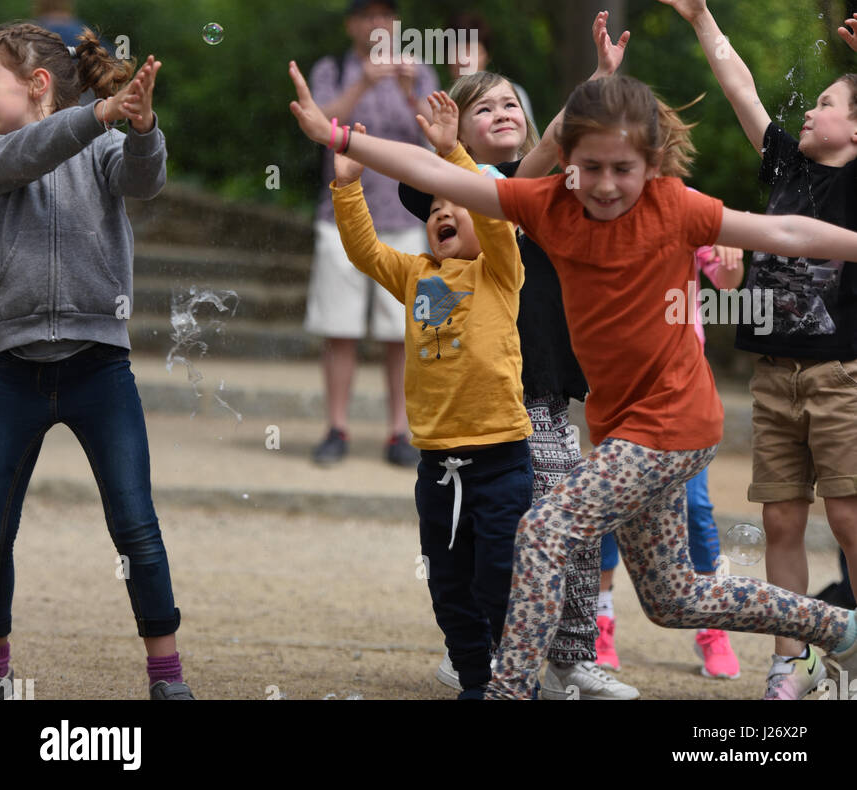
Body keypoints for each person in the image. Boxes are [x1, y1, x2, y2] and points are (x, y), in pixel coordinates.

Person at [288, 60, 857, 700]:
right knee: (674, 597)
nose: (607, 186)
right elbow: (434, 173)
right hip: (620, 427)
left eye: (624, 169)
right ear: (566, 159)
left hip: (675, 421)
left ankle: (509, 691)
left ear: (652, 161)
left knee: (545, 528)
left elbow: (785, 230)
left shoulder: (675, 207)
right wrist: (337, 137)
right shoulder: (546, 204)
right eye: (592, 168)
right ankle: (841, 628)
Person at [656, 0, 857, 699]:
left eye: (830, 103)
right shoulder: (784, 168)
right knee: (779, 522)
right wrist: (701, 17)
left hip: (842, 378)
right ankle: (791, 659)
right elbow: (738, 85)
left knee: (847, 516)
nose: (809, 110)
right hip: (774, 377)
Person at [0, 22, 193, 700]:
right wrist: (98, 114)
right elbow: (30, 154)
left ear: (36, 83)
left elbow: (144, 180)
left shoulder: (102, 139)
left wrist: (138, 127)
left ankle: (166, 675)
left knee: (135, 522)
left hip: (99, 368)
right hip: (11, 373)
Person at [428, 74, 638, 701]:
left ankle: (565, 657)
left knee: (572, 527)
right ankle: (484, 653)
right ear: (454, 129)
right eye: (483, 106)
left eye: (511, 103)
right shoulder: (448, 187)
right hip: (490, 397)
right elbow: (509, 186)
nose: (501, 112)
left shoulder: (557, 188)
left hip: (546, 392)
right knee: (487, 537)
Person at [329, 114, 532, 698]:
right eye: (434, 207)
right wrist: (347, 184)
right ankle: (474, 681)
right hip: (438, 468)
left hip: (502, 461)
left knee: (500, 581)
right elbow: (365, 250)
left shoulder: (501, 271)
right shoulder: (418, 276)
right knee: (449, 587)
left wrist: (454, 153)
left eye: (455, 203)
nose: (442, 212)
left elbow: (492, 218)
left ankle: (516, 684)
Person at [597, 242, 745, 682]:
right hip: (622, 379)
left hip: (683, 380)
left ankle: (711, 623)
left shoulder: (687, 208)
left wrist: (731, 261)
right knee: (608, 503)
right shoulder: (605, 206)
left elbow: (727, 283)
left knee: (696, 507)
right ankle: (601, 622)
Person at [304, 0, 439, 467]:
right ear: (352, 25)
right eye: (368, 16)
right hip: (340, 214)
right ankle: (336, 427)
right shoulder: (332, 70)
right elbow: (318, 123)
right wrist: (362, 82)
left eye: (386, 15)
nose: (377, 24)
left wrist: (408, 89)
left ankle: (397, 432)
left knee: (399, 331)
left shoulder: (419, 71)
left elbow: (439, 137)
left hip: (404, 215)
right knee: (339, 328)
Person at [445, 11, 534, 127]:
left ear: (487, 56)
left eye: (471, 51)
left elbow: (531, 142)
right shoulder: (436, 104)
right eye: (457, 52)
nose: (464, 60)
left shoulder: (513, 95)